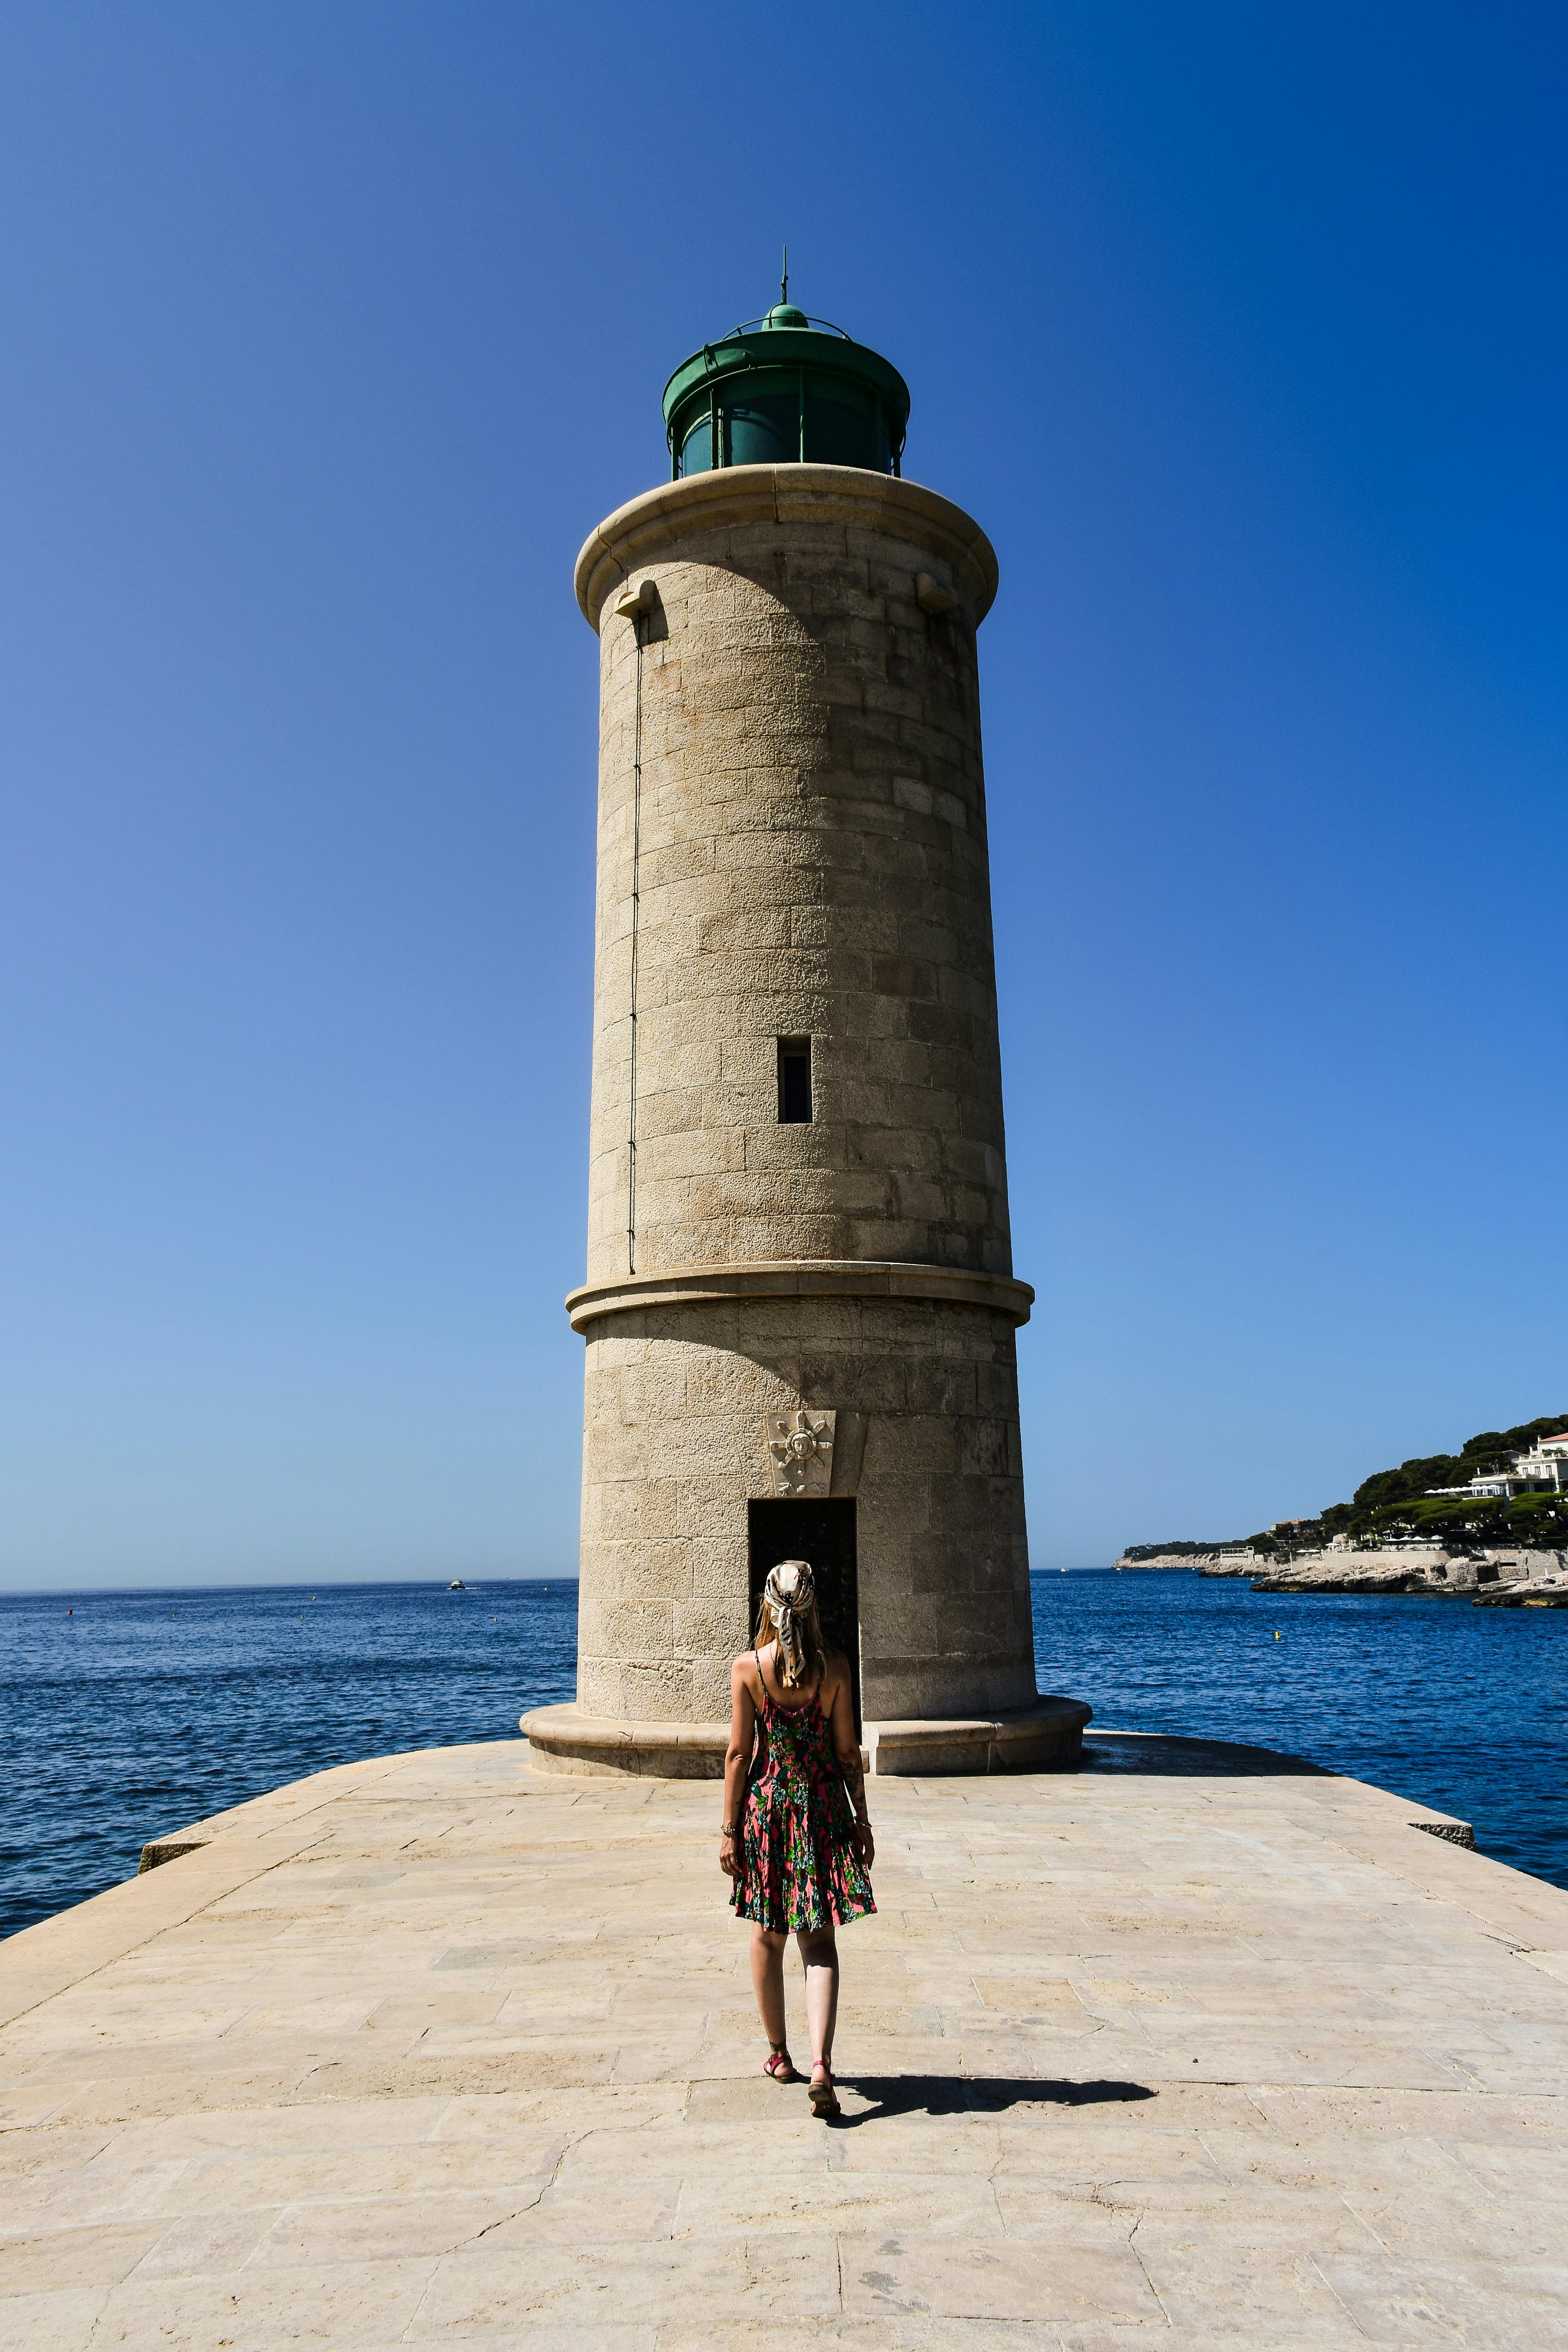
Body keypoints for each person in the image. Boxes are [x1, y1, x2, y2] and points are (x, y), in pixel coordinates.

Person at [719, 1559, 875, 2118]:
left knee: (768, 1937)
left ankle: (779, 2055)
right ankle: (822, 2064)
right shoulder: (834, 1667)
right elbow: (846, 1753)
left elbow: (739, 1756)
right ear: (811, 1607)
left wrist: (730, 1829)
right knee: (819, 1943)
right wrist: (862, 1821)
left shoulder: (746, 1670)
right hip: (822, 1808)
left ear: (767, 1604)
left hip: (766, 1811)